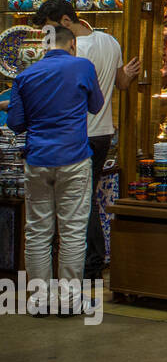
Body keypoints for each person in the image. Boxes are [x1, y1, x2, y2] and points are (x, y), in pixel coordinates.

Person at [36, 0, 140, 292]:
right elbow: (120, 83)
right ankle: (91, 262)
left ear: (66, 22)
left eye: (51, 29)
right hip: (103, 133)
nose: (48, 37)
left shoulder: (73, 52)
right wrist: (128, 76)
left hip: (77, 134)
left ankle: (91, 263)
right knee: (86, 195)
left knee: (79, 200)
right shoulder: (109, 41)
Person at [7, 24, 104, 315]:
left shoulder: (24, 76)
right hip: (73, 158)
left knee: (37, 231)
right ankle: (69, 302)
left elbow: (15, 123)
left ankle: (38, 301)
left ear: (44, 47)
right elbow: (96, 105)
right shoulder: (83, 68)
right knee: (72, 232)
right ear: (72, 44)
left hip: (37, 160)